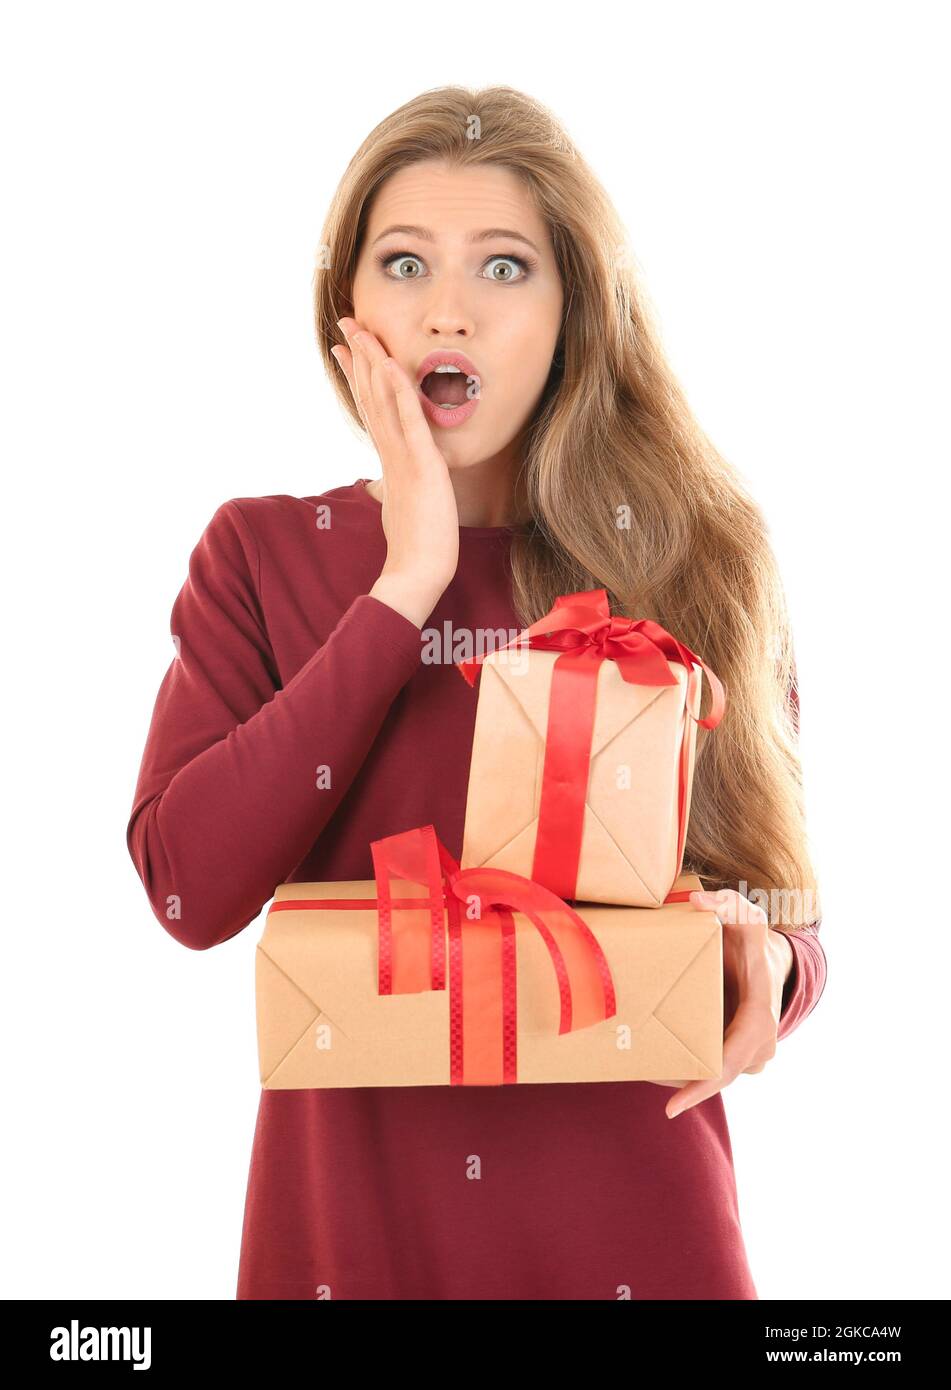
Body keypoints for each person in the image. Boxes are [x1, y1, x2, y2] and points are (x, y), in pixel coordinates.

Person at [126, 85, 827, 1300]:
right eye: (405, 263)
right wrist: (406, 586)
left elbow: (782, 901)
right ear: (348, 310)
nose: (449, 308)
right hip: (351, 1250)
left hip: (638, 1242)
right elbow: (190, 888)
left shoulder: (692, 557)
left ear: (571, 313)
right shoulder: (261, 555)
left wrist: (774, 968)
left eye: (505, 268)